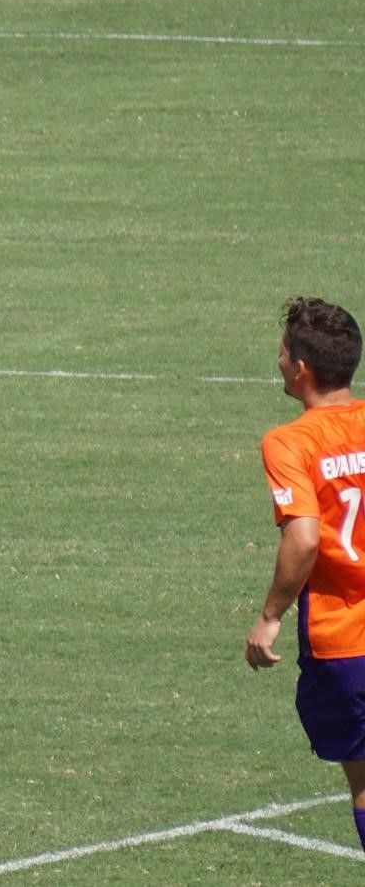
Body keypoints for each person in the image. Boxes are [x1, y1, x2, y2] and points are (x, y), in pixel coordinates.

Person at [245, 297, 365, 853]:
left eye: (283, 352)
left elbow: (305, 536)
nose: (278, 361)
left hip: (344, 642)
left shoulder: (290, 442)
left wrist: (270, 616)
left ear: (301, 369)